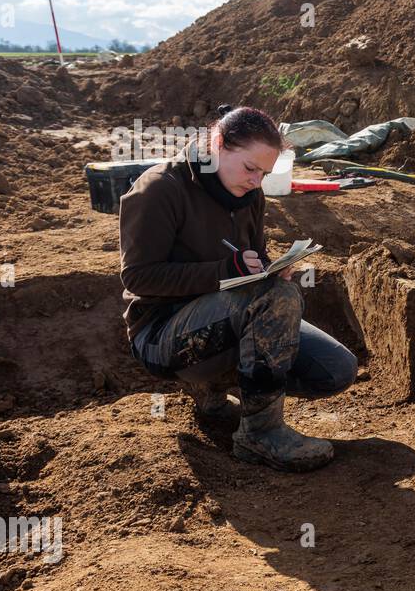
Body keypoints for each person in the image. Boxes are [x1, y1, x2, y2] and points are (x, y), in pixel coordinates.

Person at [118, 105, 356, 471]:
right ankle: (260, 434)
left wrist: (269, 271)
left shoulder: (248, 195)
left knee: (335, 369)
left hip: (228, 319)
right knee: (276, 299)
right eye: (250, 168)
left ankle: (213, 384)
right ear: (217, 144)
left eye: (264, 173)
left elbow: (252, 258)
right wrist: (223, 272)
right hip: (161, 332)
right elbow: (138, 277)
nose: (257, 181)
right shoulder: (159, 189)